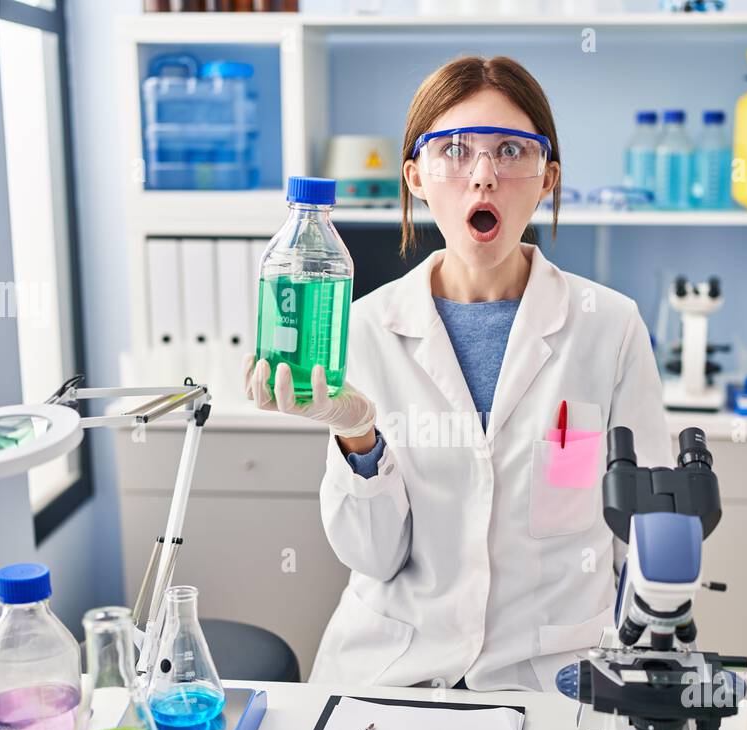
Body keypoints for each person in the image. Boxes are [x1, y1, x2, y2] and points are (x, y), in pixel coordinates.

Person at [245, 55, 671, 691]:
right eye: (453, 150)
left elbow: (649, 531)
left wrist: (647, 674)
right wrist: (358, 436)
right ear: (415, 177)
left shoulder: (609, 328)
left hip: (552, 679)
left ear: (548, 178)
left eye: (510, 151)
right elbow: (373, 558)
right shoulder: (362, 329)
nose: (483, 176)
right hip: (395, 673)